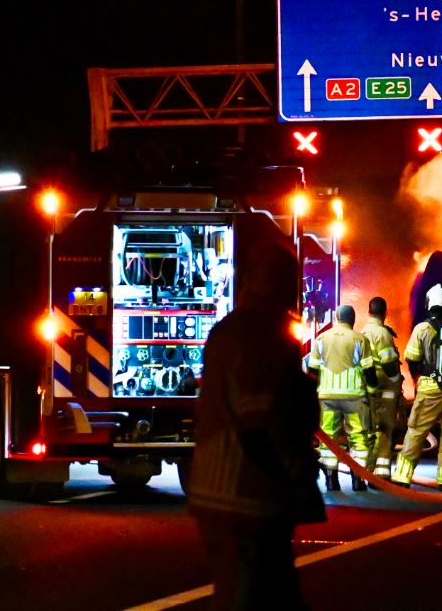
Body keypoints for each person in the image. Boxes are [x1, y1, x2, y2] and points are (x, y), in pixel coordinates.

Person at [188, 240, 321, 610]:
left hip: (226, 493)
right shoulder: (265, 335)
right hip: (245, 496)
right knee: (251, 599)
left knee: (271, 597)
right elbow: (258, 420)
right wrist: (292, 474)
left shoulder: (231, 330)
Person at [391, 284, 442, 489]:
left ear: (430, 303)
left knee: (417, 431)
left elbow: (411, 358)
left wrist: (417, 380)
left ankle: (402, 475)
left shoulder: (422, 329)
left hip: (429, 389)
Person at [306, 304, 374, 492]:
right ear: (352, 320)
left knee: (329, 438)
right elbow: (369, 371)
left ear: (336, 318)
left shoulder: (321, 338)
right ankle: (358, 481)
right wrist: (374, 390)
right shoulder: (360, 339)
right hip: (355, 398)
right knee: (359, 438)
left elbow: (312, 371)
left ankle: (331, 480)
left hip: (327, 398)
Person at [360, 296, 402, 479]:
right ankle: (382, 474)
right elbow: (389, 363)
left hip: (368, 388)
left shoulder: (362, 332)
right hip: (385, 388)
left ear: (369, 311)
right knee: (385, 429)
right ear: (385, 312)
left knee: (370, 429)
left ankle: (366, 470)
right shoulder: (383, 334)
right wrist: (397, 380)